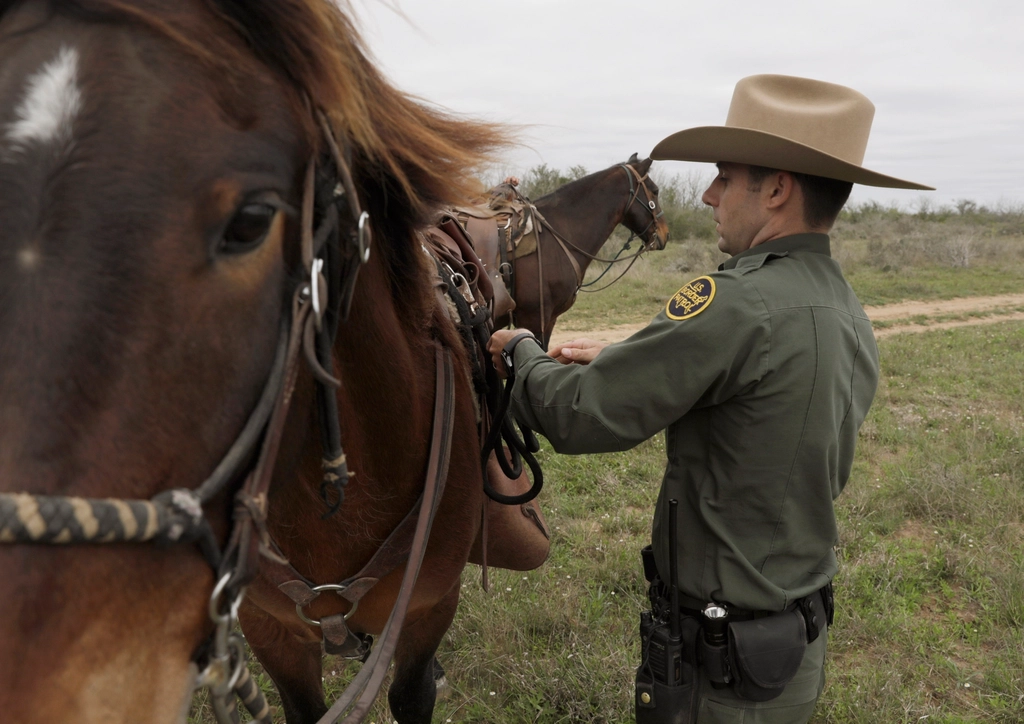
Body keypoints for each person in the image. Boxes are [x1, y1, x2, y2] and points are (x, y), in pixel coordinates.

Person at [487, 74, 932, 723]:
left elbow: (579, 415)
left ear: (777, 189)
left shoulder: (737, 302)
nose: (709, 194)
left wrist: (519, 351)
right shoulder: (844, 306)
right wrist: (624, 360)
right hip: (792, 648)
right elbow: (762, 400)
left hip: (721, 671)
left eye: (726, 177)